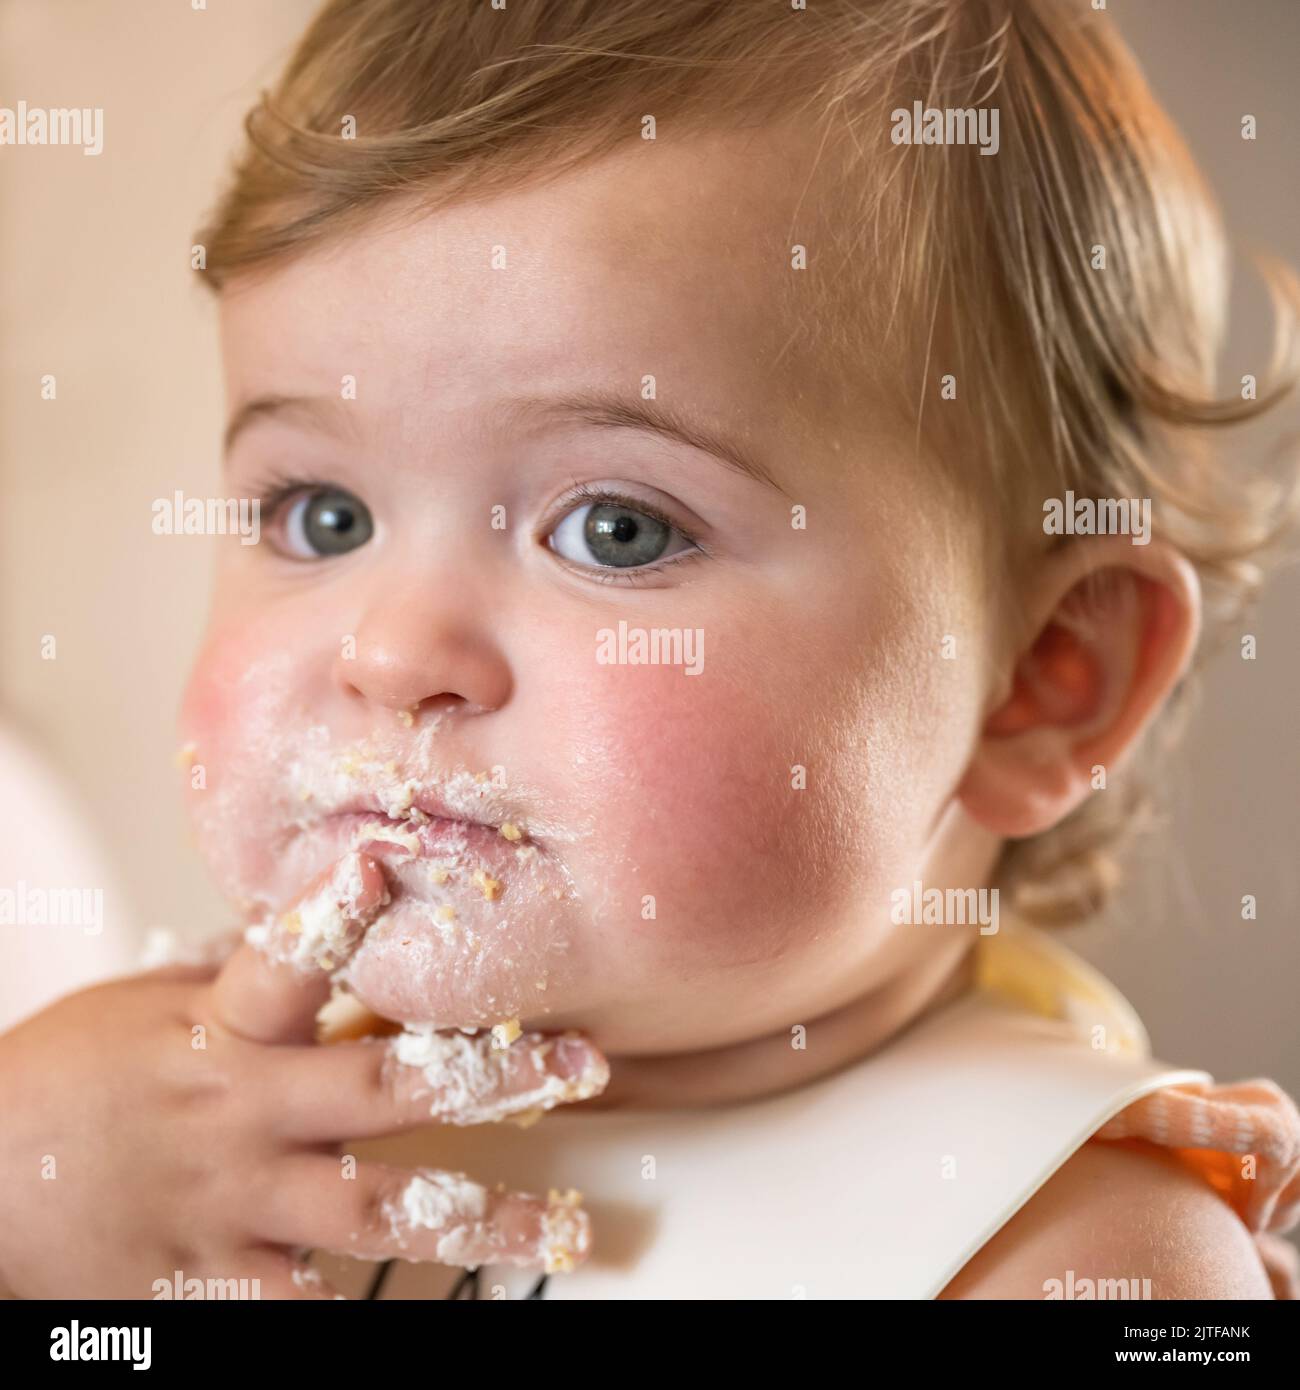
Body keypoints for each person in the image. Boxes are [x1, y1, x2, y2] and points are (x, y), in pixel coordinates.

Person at [2, 0, 1297, 1300]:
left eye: (617, 530)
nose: (391, 652)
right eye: (321, 516)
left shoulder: (1075, 1253)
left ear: (1041, 682)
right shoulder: (146, 1122)